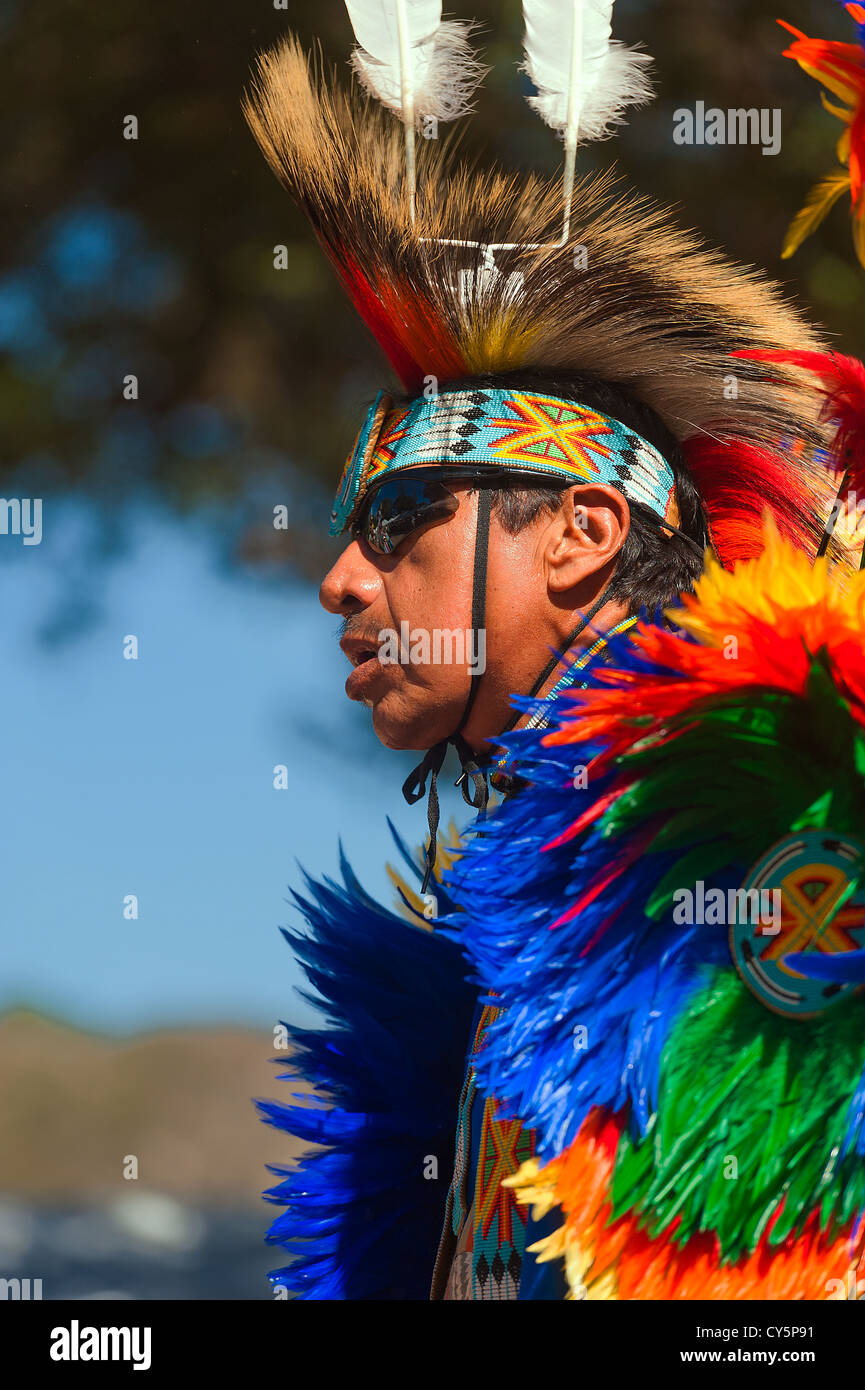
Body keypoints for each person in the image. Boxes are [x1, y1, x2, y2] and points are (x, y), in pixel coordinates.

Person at [246, 21, 865, 1300]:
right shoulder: (509, 929)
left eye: (399, 521)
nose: (344, 580)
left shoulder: (775, 818)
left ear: (582, 534)